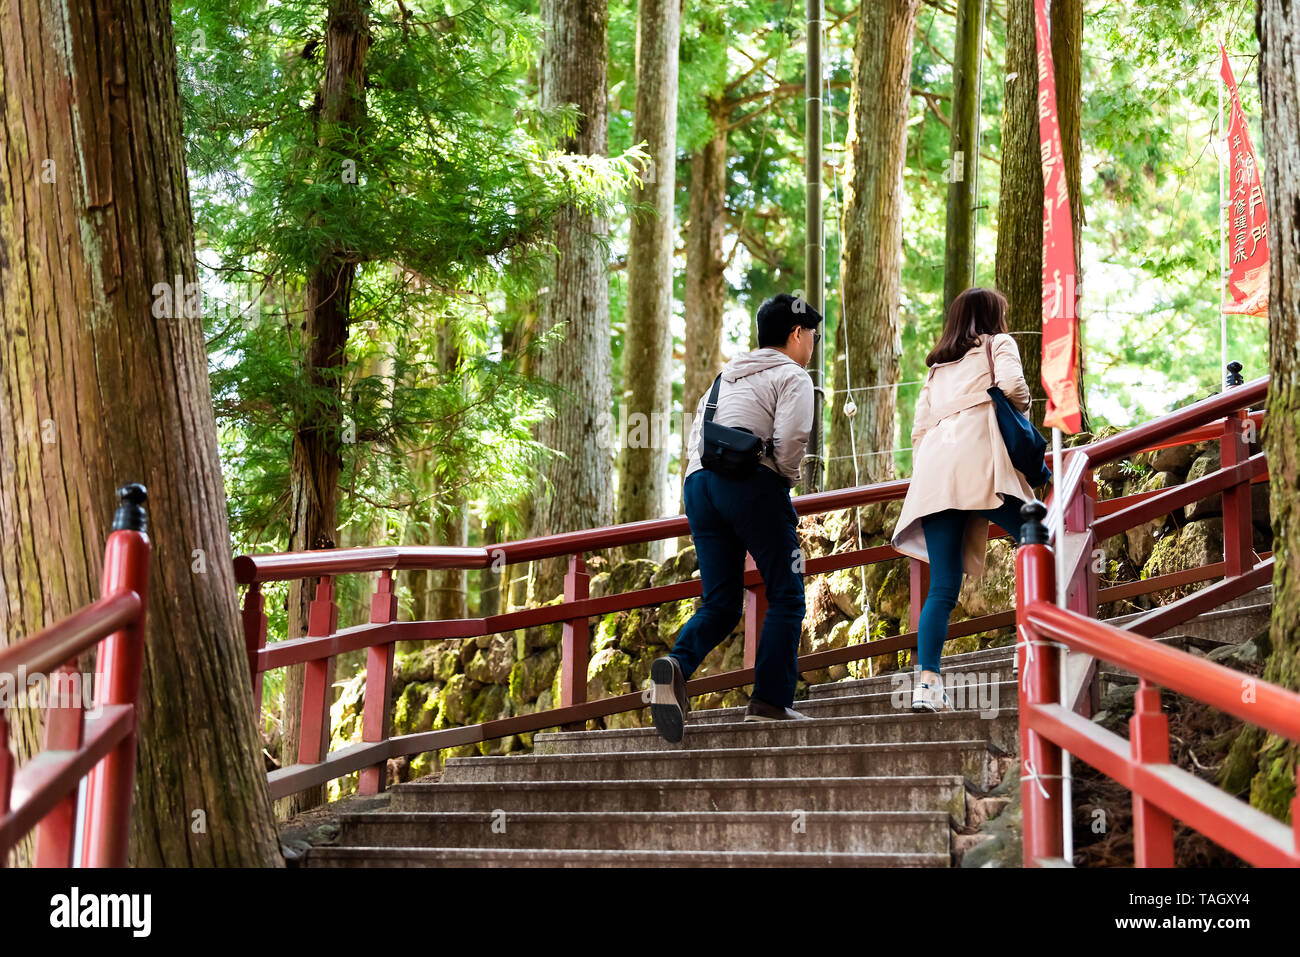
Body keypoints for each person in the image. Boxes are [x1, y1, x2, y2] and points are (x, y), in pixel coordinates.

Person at [649, 293, 822, 744]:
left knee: (721, 602)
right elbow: (792, 439)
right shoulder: (793, 377)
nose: (814, 343)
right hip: (750, 484)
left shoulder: (724, 377)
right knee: (786, 592)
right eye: (813, 335)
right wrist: (779, 482)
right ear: (796, 334)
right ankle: (769, 701)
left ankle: (677, 666)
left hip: (699, 487)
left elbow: (696, 437)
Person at [890, 287, 1036, 712]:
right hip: (981, 463)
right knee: (1037, 535)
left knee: (943, 586)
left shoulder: (936, 371)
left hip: (936, 476)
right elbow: (1014, 388)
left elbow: (918, 433)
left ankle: (928, 685)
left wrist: (937, 472)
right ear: (993, 316)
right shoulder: (998, 344)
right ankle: (1033, 645)